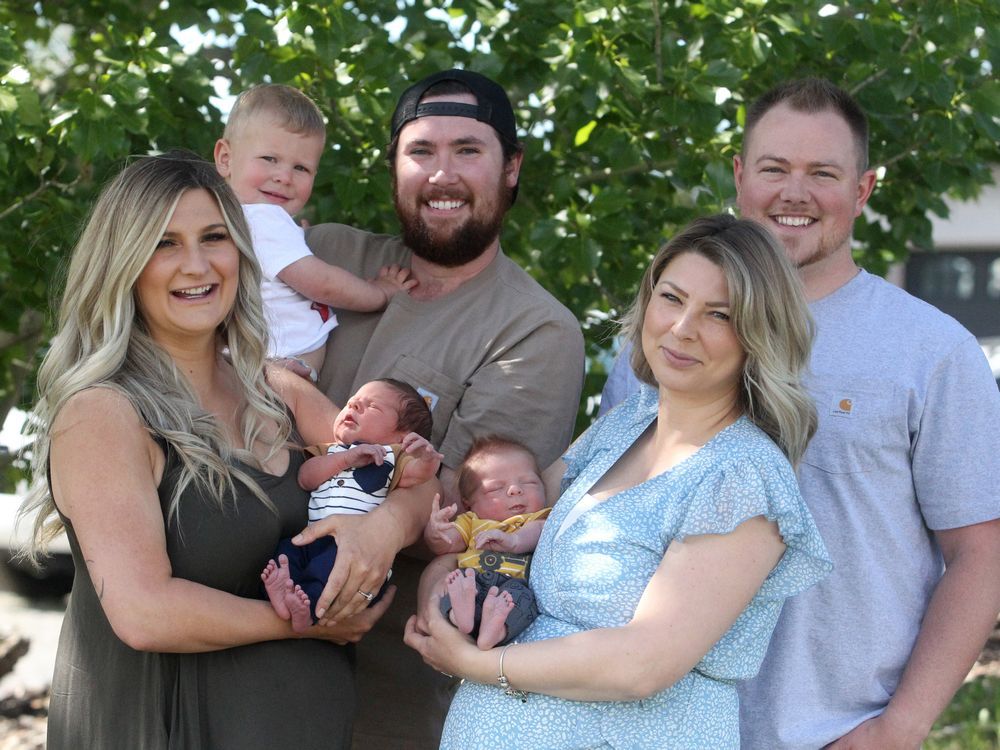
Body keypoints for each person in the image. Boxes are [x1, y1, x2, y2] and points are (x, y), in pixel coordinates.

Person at [18, 150, 435, 749]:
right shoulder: (102, 413)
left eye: (214, 237)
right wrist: (306, 623)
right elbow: (144, 612)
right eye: (164, 244)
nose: (197, 264)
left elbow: (419, 475)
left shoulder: (277, 389)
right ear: (123, 265)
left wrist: (384, 529)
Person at [405, 214, 833, 749]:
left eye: (718, 314)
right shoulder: (626, 425)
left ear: (760, 332)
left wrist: (471, 660)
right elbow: (496, 529)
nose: (682, 328)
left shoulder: (741, 476)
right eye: (672, 298)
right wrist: (438, 590)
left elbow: (644, 663)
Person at [302, 68, 586, 747]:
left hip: (385, 689)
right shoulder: (324, 257)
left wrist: (283, 390)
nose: (442, 174)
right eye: (421, 151)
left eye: (468, 151)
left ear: (511, 168)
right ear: (394, 166)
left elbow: (454, 512)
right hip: (232, 649)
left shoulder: (534, 330)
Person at [726, 79, 1000, 750]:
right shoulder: (669, 335)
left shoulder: (930, 351)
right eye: (774, 169)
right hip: (667, 726)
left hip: (837, 733)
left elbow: (982, 554)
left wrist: (898, 728)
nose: (795, 193)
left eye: (823, 173)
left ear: (863, 190)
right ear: (739, 177)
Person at [214, 83, 414, 378]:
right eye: (270, 159)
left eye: (301, 169)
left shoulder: (229, 218)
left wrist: (293, 236)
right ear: (225, 158)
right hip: (275, 364)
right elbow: (323, 284)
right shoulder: (264, 221)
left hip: (256, 360)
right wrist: (379, 293)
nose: (284, 177)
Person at [263, 378, 442, 632]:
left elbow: (420, 475)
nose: (354, 406)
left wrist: (426, 457)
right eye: (351, 402)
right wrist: (345, 459)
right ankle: (284, 594)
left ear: (402, 437)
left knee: (332, 573)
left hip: (354, 549)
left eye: (372, 406)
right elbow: (306, 478)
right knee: (285, 553)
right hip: (313, 536)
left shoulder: (392, 457)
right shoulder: (330, 451)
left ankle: (307, 611)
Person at [424, 436, 551, 650]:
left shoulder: (536, 520)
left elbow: (538, 532)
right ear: (468, 504)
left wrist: (514, 540)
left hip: (513, 586)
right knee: (454, 581)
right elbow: (446, 545)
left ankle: (496, 631)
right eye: (495, 489)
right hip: (474, 582)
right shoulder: (472, 522)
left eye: (528, 482)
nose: (515, 490)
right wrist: (435, 531)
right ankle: (459, 616)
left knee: (525, 599)